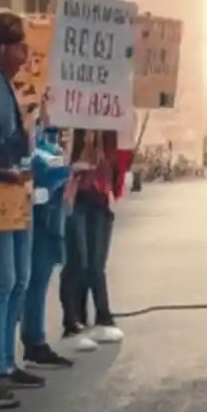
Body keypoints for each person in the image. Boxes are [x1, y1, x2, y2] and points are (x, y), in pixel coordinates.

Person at [0, 12, 46, 409]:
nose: (26, 55)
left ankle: (6, 359)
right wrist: (0, 169)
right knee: (2, 281)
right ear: (2, 47)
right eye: (21, 47)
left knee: (20, 277)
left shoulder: (10, 86)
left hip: (19, 190)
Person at [23, 121, 83, 362]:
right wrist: (67, 167)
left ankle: (35, 339)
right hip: (37, 217)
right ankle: (29, 344)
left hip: (52, 217)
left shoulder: (52, 134)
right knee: (27, 283)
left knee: (38, 282)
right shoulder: (32, 128)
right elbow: (39, 167)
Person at [60, 130, 124, 344]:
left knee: (96, 264)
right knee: (78, 259)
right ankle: (73, 321)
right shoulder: (70, 125)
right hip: (75, 194)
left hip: (101, 195)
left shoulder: (109, 133)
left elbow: (120, 160)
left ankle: (102, 317)